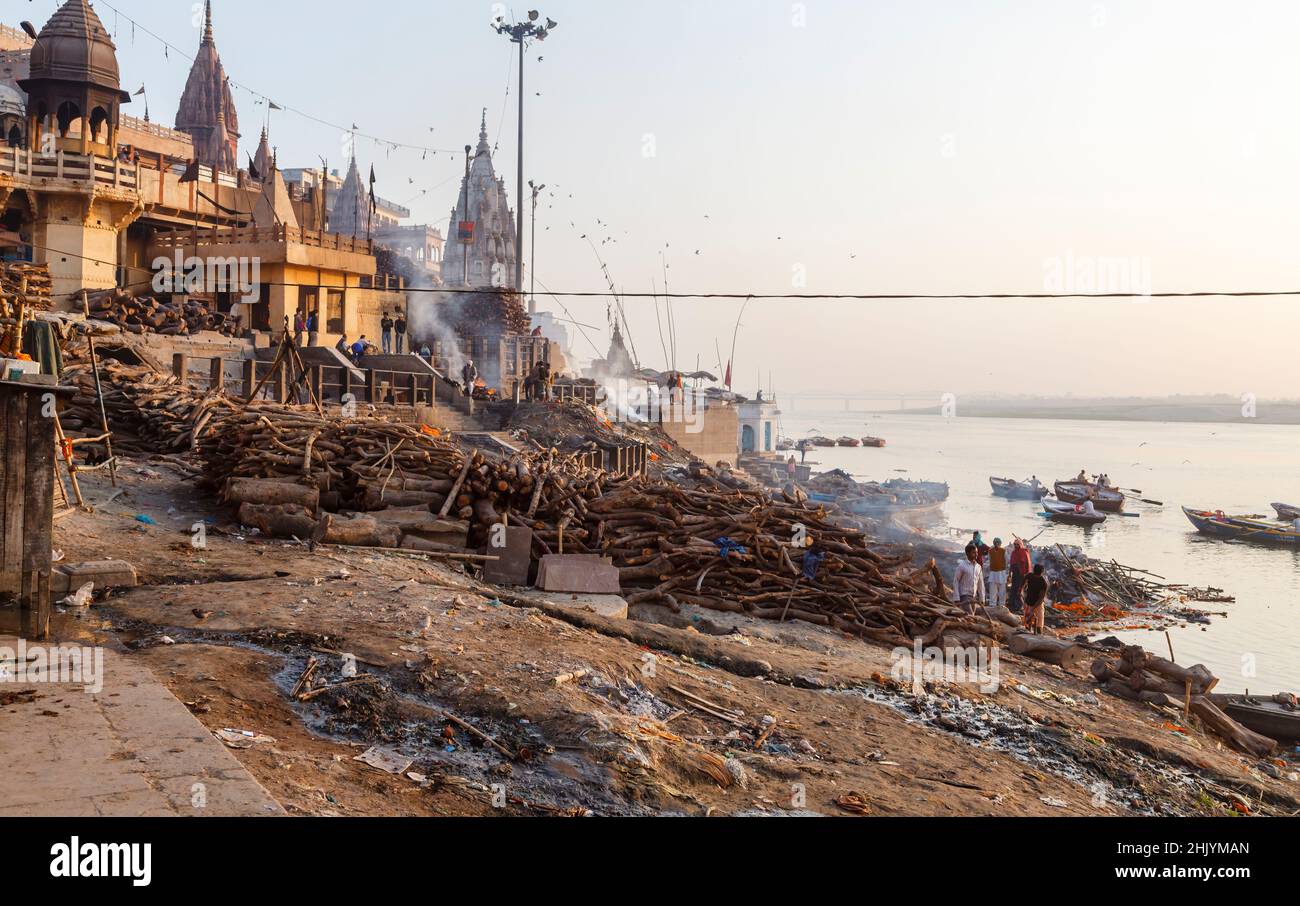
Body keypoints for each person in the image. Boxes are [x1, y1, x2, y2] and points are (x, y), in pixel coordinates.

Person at [953, 545, 986, 615]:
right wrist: (956, 598)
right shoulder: (962, 565)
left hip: (974, 597)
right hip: (964, 596)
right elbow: (956, 581)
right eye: (973, 552)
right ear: (967, 554)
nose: (976, 554)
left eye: (977, 552)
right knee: (970, 616)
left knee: (970, 617)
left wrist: (982, 599)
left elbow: (980, 584)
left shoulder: (978, 567)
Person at [1024, 565, 1049, 634]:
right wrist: (1020, 591)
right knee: (1027, 623)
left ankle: (1039, 638)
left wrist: (1032, 609)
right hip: (1029, 602)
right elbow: (1023, 582)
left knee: (1038, 625)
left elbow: (1040, 599)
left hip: (1038, 605)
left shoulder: (1043, 583)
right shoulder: (1029, 576)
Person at [1009, 538, 1032, 613]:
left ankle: (1020, 606)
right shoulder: (1013, 553)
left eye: (1017, 544)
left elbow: (1028, 565)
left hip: (1022, 574)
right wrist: (1009, 574)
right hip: (1015, 574)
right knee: (1013, 589)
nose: (1016, 546)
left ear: (1020, 544)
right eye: (1015, 544)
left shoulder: (1024, 552)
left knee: (1019, 590)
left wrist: (1027, 576)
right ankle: (1012, 605)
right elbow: (1011, 564)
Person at [987, 538, 1008, 608]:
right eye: (995, 543)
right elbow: (990, 560)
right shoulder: (990, 551)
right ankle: (992, 605)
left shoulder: (1003, 551)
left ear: (1000, 544)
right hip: (993, 573)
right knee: (993, 590)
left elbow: (1007, 560)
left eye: (998, 543)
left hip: (1001, 572)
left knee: (1002, 590)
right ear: (993, 543)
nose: (996, 544)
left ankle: (1002, 605)